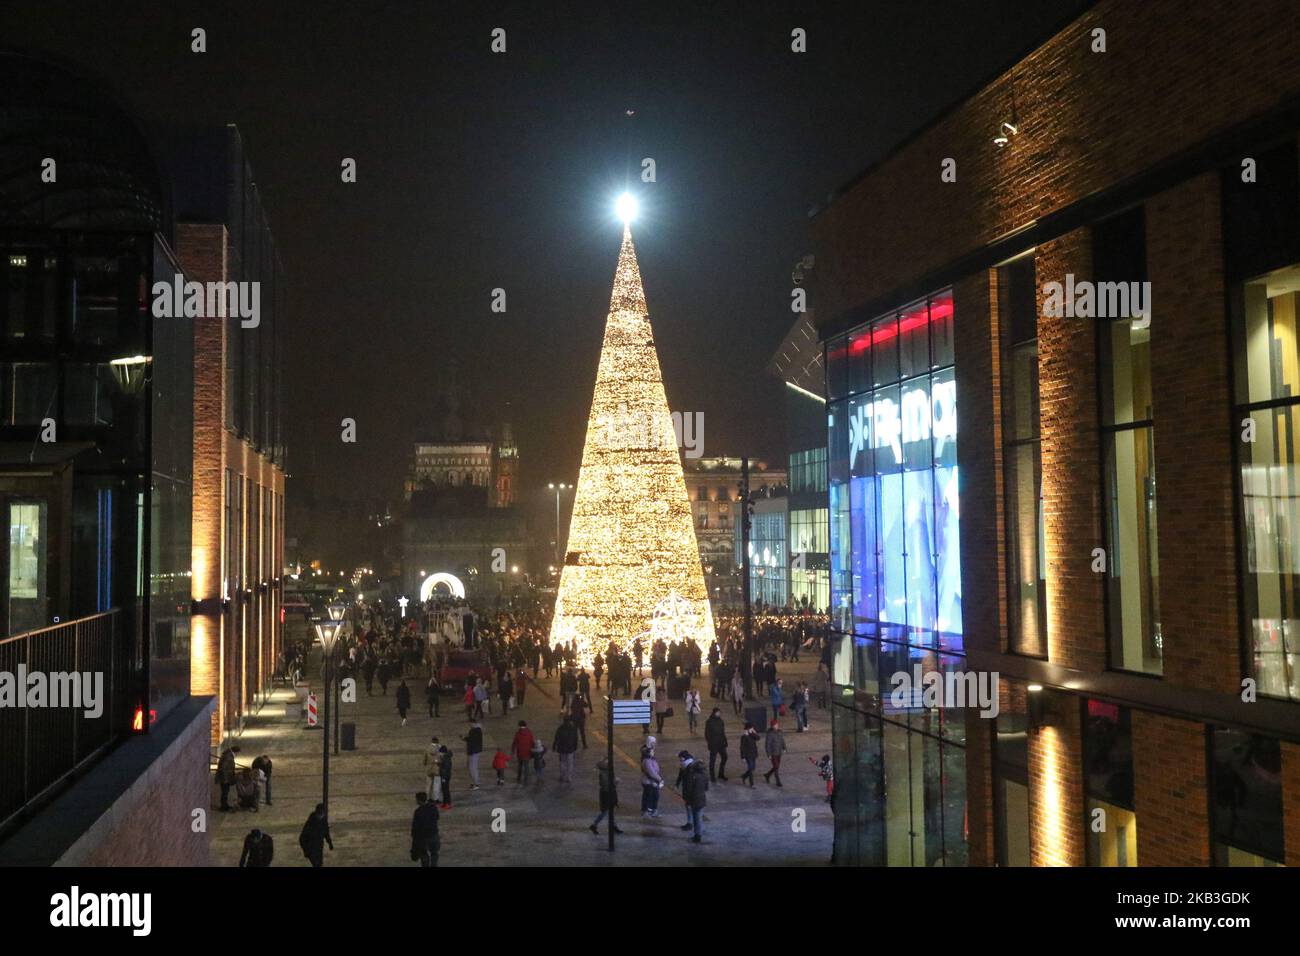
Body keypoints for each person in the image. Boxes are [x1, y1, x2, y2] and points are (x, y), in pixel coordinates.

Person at [677, 751, 708, 843]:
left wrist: (687, 799)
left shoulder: (693, 776)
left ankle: (697, 836)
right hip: (702, 799)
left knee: (696, 818)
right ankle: (699, 832)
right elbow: (706, 787)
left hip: (694, 800)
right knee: (699, 816)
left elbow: (688, 788)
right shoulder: (704, 775)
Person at [589, 758, 623, 835]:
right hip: (606, 794)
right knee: (606, 811)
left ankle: (614, 826)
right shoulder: (604, 773)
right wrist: (615, 782)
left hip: (609, 793)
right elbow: (606, 785)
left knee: (610, 810)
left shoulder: (608, 772)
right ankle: (594, 825)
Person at [410, 792, 440, 867]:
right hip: (434, 834)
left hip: (423, 837)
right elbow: (437, 817)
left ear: (418, 800)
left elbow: (415, 826)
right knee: (434, 853)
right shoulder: (433, 807)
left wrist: (414, 837)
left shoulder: (418, 812)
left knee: (423, 854)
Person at [704, 708, 728, 782]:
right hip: (713, 744)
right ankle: (712, 776)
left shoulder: (721, 721)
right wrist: (710, 742)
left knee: (725, 757)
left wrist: (725, 741)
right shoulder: (709, 721)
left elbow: (723, 732)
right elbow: (707, 734)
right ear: (714, 713)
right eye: (718, 712)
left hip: (721, 743)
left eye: (719, 712)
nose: (719, 714)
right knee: (712, 760)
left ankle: (721, 774)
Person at [553, 715, 579, 783]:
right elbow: (576, 738)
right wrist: (575, 746)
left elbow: (556, 738)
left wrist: (554, 746)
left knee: (562, 763)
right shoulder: (573, 728)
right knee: (570, 763)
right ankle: (569, 777)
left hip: (562, 748)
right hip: (570, 748)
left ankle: (562, 776)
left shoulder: (560, 728)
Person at [640, 743, 664, 817]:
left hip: (652, 781)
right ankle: (648, 811)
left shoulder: (651, 759)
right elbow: (651, 772)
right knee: (651, 796)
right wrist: (660, 779)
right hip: (649, 782)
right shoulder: (647, 761)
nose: (653, 752)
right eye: (652, 751)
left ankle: (651, 810)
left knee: (653, 796)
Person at [763, 720, 787, 787]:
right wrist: (769, 754)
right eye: (775, 725)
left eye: (777, 724)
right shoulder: (770, 734)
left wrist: (784, 748)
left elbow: (782, 740)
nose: (777, 726)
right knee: (776, 767)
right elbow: (767, 745)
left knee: (776, 767)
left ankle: (767, 775)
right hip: (773, 753)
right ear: (772, 726)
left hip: (779, 752)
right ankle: (778, 782)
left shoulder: (780, 732)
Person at [216, 746, 239, 811]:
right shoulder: (228, 757)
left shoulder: (227, 755)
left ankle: (225, 805)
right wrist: (226, 779)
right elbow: (223, 768)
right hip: (225, 778)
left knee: (225, 792)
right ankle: (223, 806)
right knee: (225, 792)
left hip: (225, 777)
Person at [463, 720, 483, 790]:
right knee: (470, 767)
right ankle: (473, 782)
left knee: (473, 768)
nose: (469, 725)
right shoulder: (475, 730)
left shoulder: (475, 731)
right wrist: (465, 738)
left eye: (470, 724)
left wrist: (466, 739)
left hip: (473, 752)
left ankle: (476, 783)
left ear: (473, 723)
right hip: (473, 751)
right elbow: (471, 739)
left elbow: (473, 741)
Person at [739, 722, 760, 787]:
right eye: (751, 728)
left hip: (753, 754)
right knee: (750, 769)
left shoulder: (752, 735)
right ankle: (752, 784)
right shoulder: (744, 736)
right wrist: (743, 757)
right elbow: (742, 747)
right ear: (748, 728)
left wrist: (754, 732)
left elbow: (758, 738)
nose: (752, 729)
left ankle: (744, 776)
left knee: (753, 768)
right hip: (748, 755)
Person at [424, 736, 443, 802]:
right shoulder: (440, 748)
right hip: (437, 769)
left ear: (431, 741)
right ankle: (436, 798)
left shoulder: (427, 748)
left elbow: (424, 759)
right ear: (437, 741)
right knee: (436, 785)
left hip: (429, 769)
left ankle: (427, 798)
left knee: (428, 784)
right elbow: (442, 759)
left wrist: (426, 765)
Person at [438, 742, 454, 809]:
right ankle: (444, 803)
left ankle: (448, 803)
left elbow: (445, 769)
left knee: (446, 790)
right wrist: (439, 764)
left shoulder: (446, 758)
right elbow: (443, 766)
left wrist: (443, 778)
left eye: (440, 752)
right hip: (445, 776)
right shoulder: (445, 757)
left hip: (445, 777)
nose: (439, 753)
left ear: (443, 752)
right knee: (444, 790)